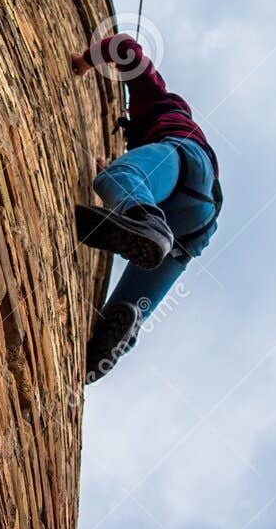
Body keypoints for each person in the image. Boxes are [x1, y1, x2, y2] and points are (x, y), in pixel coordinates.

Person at [69, 32, 222, 383]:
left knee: (120, 178)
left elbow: (125, 46)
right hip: (198, 223)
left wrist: (84, 62)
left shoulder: (156, 102)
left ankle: (146, 222)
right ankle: (102, 353)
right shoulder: (148, 138)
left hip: (185, 161)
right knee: (130, 310)